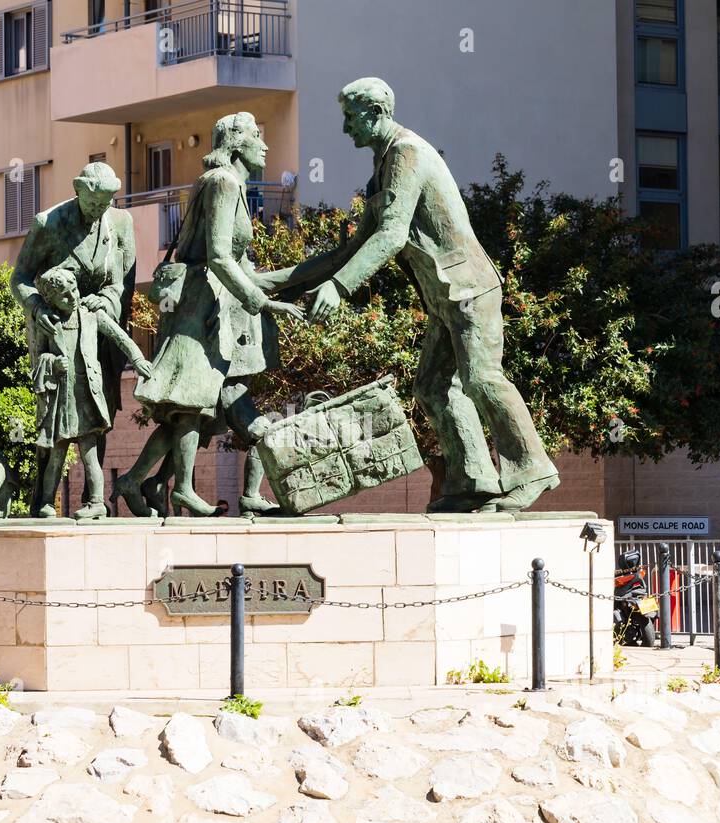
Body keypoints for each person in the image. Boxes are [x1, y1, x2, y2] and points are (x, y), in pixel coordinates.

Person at [268, 78, 560, 512]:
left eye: (350, 117)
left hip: (469, 288)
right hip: (443, 298)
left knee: (481, 378)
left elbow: (390, 235)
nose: (346, 128)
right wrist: (269, 281)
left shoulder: (408, 153)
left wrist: (340, 286)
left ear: (376, 113)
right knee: (433, 386)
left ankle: (533, 468)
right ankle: (473, 481)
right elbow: (349, 250)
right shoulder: (383, 167)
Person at [116, 112, 303, 517]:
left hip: (215, 306)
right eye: (258, 137)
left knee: (193, 410)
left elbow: (240, 264)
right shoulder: (222, 182)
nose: (265, 146)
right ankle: (178, 487)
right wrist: (263, 301)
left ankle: (140, 481)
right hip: (200, 308)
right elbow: (219, 257)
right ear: (237, 144)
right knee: (192, 405)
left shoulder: (231, 185)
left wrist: (298, 279)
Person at [11, 162, 150, 518]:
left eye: (106, 204)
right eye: (93, 204)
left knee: (96, 417)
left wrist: (105, 303)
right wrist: (37, 307)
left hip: (97, 326)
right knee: (53, 422)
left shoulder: (120, 223)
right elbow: (21, 278)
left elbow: (123, 282)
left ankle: (94, 499)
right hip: (53, 328)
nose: (99, 211)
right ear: (79, 192)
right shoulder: (49, 223)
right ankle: (42, 501)